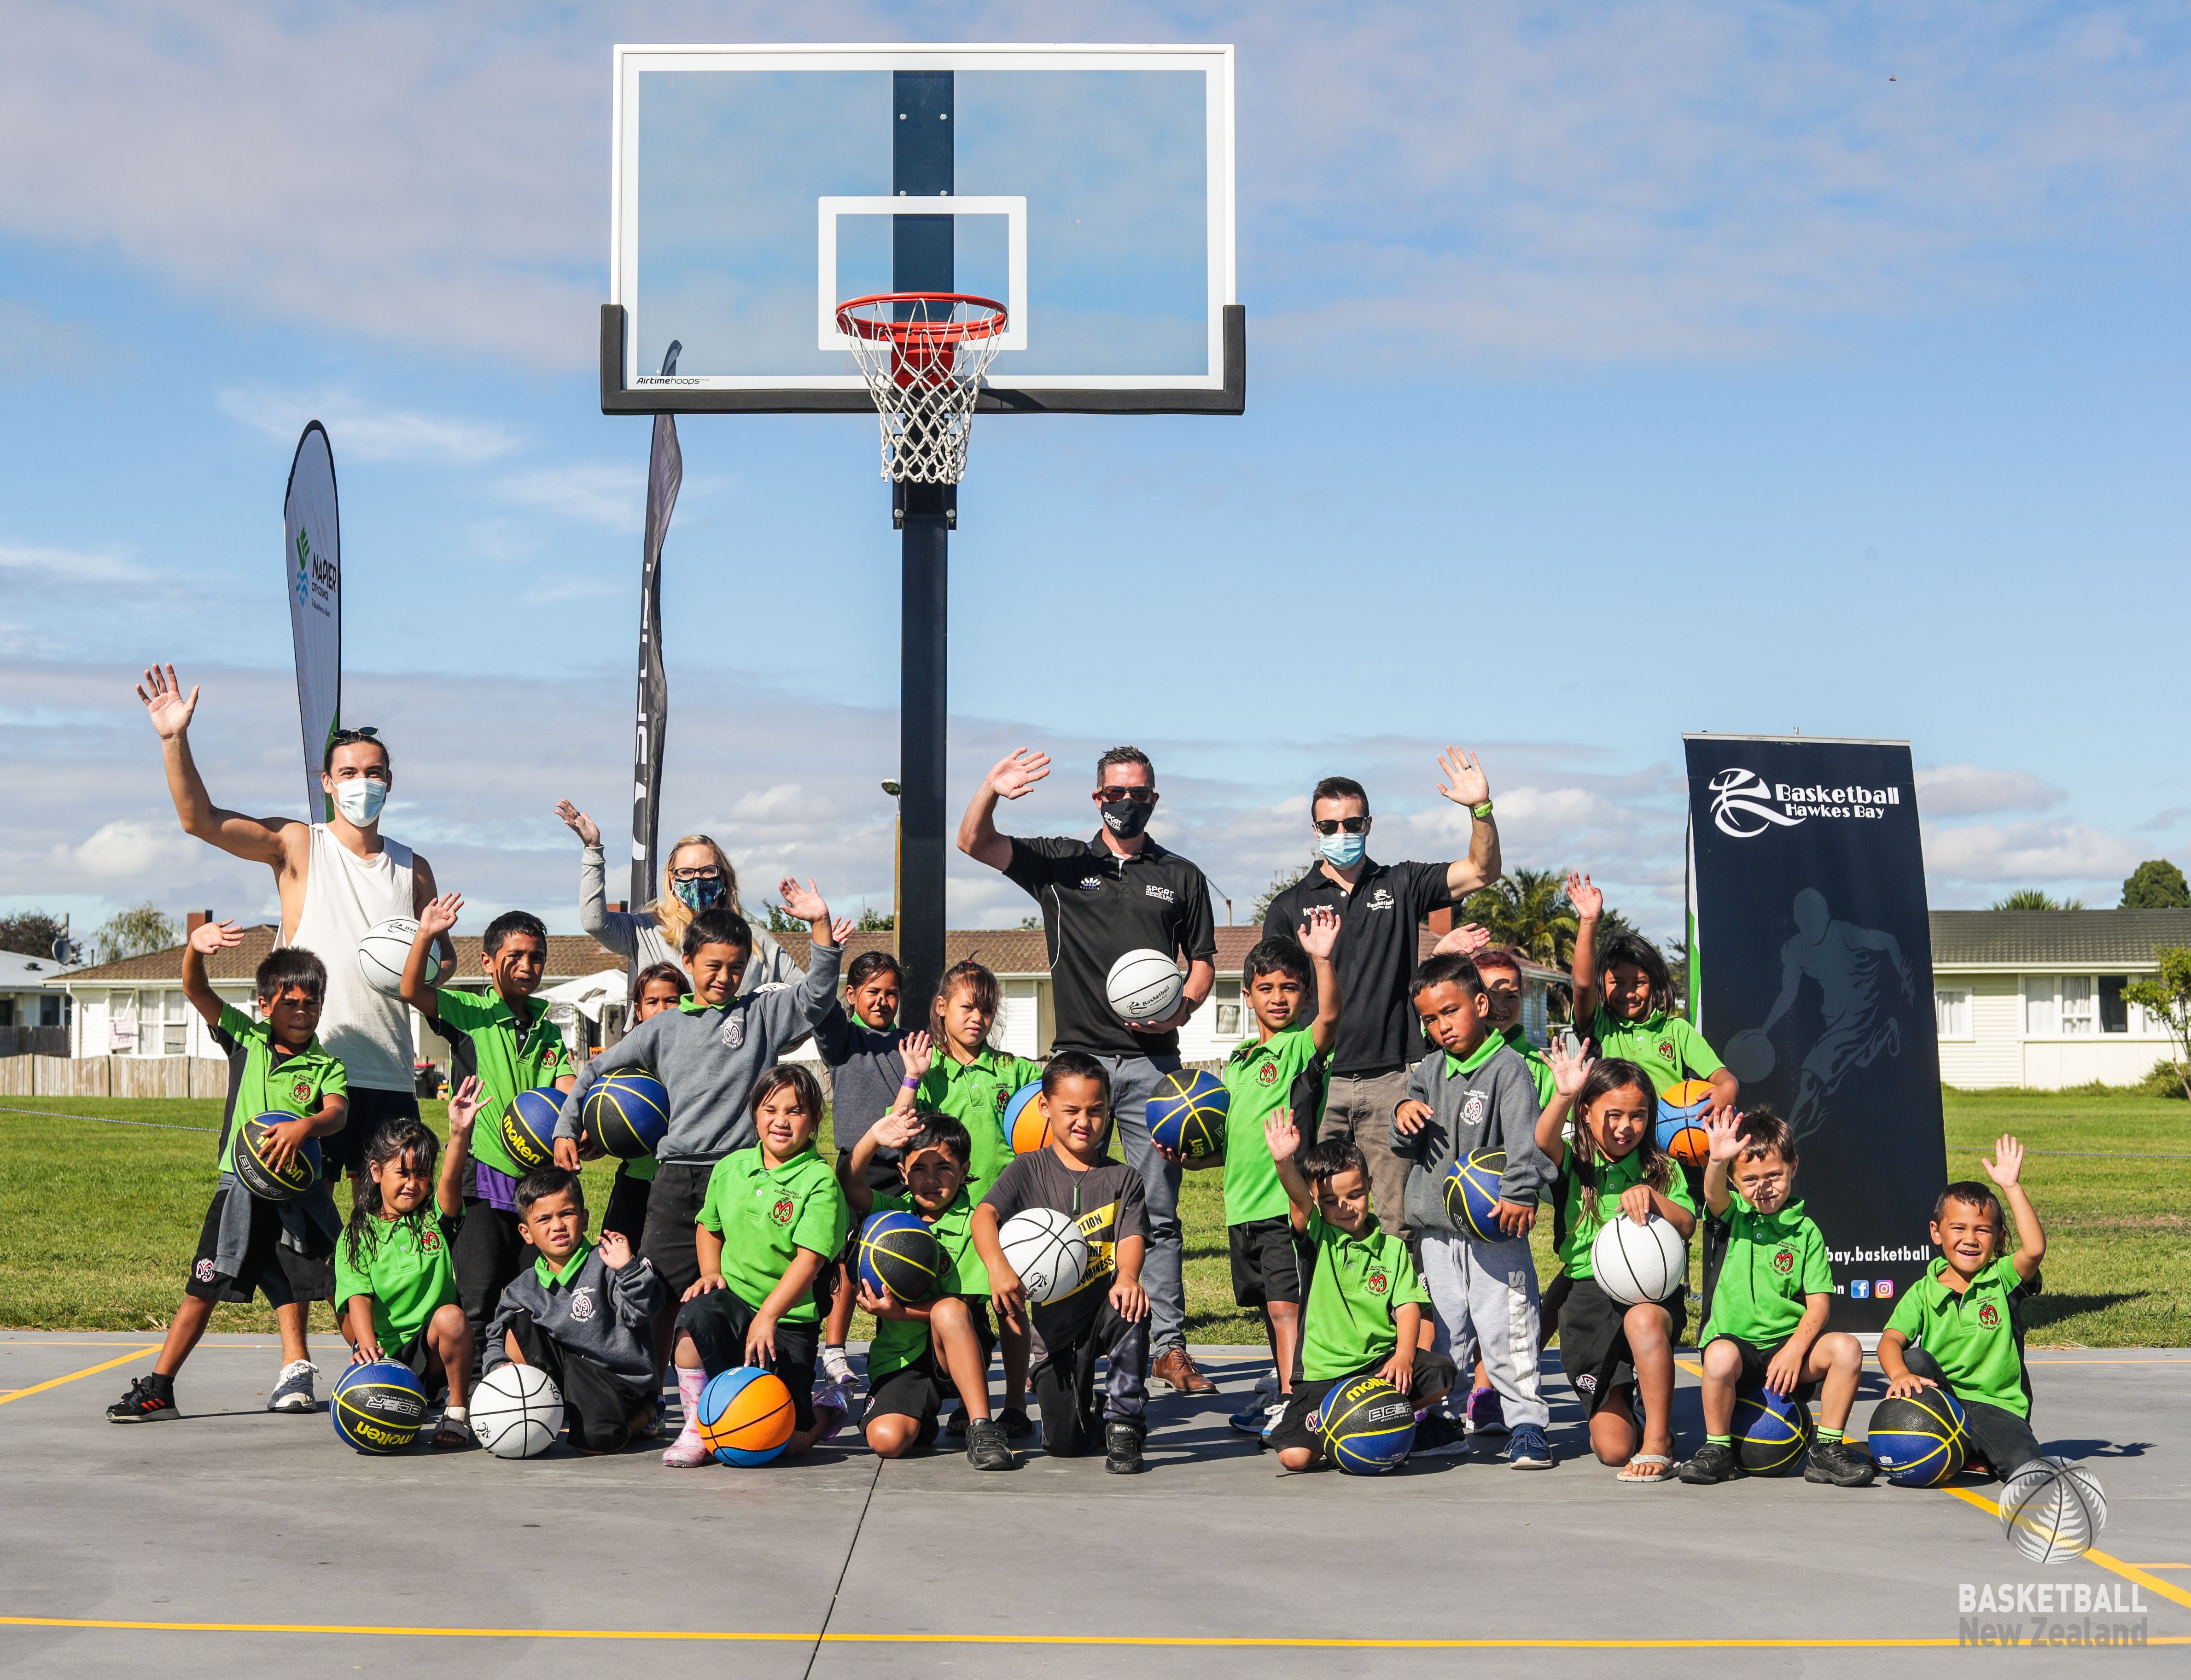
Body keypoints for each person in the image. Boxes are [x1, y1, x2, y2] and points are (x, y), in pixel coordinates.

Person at [958, 745, 1218, 1395]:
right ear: (1096, 798)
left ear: (1153, 800)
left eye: (1137, 795)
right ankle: (1057, 1341)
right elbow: (972, 842)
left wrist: (1181, 1008)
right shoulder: (1060, 864)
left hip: (1154, 1068)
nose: (1124, 804)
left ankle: (1167, 1346)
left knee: (1155, 1211)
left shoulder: (1180, 876)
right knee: (1059, 1210)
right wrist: (991, 788)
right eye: (1112, 794)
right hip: (1078, 1064)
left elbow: (1205, 963)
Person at [137, 666, 453, 1181]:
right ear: (327, 783)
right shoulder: (299, 845)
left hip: (390, 1075)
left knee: (389, 1222)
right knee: (303, 1232)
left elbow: (442, 967)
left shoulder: (414, 868)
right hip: (307, 1071)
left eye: (374, 773)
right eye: (349, 774)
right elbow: (200, 820)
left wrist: (423, 964)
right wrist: (175, 739)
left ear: (390, 782)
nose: (363, 783)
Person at [552, 887, 847, 1430]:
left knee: (728, 1290)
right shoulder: (663, 1027)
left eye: (736, 968)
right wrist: (568, 1124)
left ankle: (736, 1405)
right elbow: (594, 1070)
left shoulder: (761, 1014)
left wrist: (820, 928)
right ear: (686, 962)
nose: (725, 978)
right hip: (675, 1178)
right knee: (659, 1294)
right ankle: (653, 1400)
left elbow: (818, 996)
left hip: (739, 1176)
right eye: (714, 966)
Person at [1259, 760, 1503, 1259]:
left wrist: (1480, 808)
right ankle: (1330, 1321)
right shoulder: (1289, 906)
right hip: (1316, 1080)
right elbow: (1273, 1004)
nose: (1341, 833)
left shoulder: (1401, 884)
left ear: (1368, 825)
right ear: (1315, 830)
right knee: (1313, 1209)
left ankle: (1401, 1330)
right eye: (1330, 826)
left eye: (1352, 824)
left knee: (1395, 1219)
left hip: (1393, 1079)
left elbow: (1483, 870)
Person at [106, 925, 348, 1423]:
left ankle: (383, 1368)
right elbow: (196, 989)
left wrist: (306, 1127)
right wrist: (195, 949)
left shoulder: (325, 1064)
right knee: (204, 1287)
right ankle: (159, 1387)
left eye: (311, 1003)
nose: (302, 1012)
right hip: (240, 1189)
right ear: (265, 1005)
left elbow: (338, 1113)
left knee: (338, 1283)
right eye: (291, 1003)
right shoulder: (247, 1039)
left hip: (302, 1196)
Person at [1392, 952, 1556, 1469]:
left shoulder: (1508, 1069)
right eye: (1431, 1019)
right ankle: (1444, 1419)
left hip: (1495, 1230)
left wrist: (1520, 1193)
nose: (1442, 1027)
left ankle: (1527, 1423)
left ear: (1481, 1005)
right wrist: (1403, 1116)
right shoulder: (1429, 1073)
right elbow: (1405, 1145)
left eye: (1451, 1012)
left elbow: (1525, 1142)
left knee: (1507, 1326)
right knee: (1446, 1333)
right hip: (1436, 1233)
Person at [399, 897, 575, 1353]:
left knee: (537, 1301)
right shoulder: (468, 1011)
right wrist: (427, 934)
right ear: (489, 961)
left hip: (538, 1189)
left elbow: (568, 1087)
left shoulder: (547, 1027)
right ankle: (469, 1402)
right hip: (482, 1179)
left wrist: (578, 1126)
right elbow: (411, 989)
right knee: (477, 1300)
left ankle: (530, 1390)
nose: (526, 965)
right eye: (514, 956)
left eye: (536, 957)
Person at [661, 1065, 853, 1467]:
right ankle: (698, 1425)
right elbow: (709, 1227)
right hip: (736, 1302)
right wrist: (712, 1274)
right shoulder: (731, 1168)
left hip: (787, 1320)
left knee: (788, 1442)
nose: (780, 1121)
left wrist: (768, 1316)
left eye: (795, 1111)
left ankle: (827, 1408)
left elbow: (810, 1261)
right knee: (693, 1318)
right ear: (755, 1114)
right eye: (770, 1109)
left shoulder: (819, 1182)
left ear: (817, 1119)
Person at [973, 1053, 1153, 1474]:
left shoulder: (1123, 1178)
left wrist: (1128, 1277)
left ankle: (1125, 1423)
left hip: (1104, 1311)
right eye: (1071, 1110)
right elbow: (984, 1217)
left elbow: (1132, 1236)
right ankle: (1091, 1409)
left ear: (1109, 1111)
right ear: (1045, 1108)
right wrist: (998, 1269)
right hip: (1052, 1332)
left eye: (1095, 1111)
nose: (1083, 1122)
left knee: (1132, 1307)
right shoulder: (1028, 1169)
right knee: (1066, 1446)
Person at [839, 1050, 1017, 1472]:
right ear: (903, 1173)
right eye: (920, 1169)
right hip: (898, 1356)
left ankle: (981, 1426)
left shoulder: (977, 1220)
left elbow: (964, 1309)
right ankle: (921, 1417)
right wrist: (873, 1137)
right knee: (887, 1441)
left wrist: (899, 1311)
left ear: (966, 1169)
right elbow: (847, 1184)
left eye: (945, 1167)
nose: (932, 1179)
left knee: (949, 1309)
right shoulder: (892, 1217)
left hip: (952, 1348)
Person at [1679, 1107, 1873, 1487]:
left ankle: (1827, 1450)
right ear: (1735, 1181)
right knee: (1718, 1356)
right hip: (1739, 1350)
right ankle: (1717, 1450)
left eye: (1773, 1175)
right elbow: (1712, 1192)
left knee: (1847, 1349)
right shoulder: (1732, 1215)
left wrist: (1795, 1350)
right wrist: (1717, 1161)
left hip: (1788, 1352)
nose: (1763, 1187)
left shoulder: (1806, 1231)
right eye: (1750, 1179)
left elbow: (1819, 1304)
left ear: (1793, 1168)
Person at [1534, 1046, 1697, 1482]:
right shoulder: (1574, 1161)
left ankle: (1659, 1441)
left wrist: (1655, 1199)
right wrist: (1563, 1095)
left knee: (1644, 1322)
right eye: (1614, 1115)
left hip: (1650, 1296)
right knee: (1612, 1449)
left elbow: (1687, 1225)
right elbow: (1544, 1140)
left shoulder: (1661, 1168)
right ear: (1587, 1112)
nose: (1627, 1127)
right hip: (1588, 1303)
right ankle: (1632, 1402)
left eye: (1639, 1115)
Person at [1209, 913, 1341, 1444]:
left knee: (1289, 1307)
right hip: (1241, 1207)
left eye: (1290, 988)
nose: (1278, 998)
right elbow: (1234, 1139)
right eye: (1266, 989)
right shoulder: (1239, 1061)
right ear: (1247, 996)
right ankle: (1287, 1389)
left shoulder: (1297, 1049)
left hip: (1284, 1204)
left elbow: (1330, 1018)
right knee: (1270, 1307)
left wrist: (1323, 959)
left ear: (1304, 996)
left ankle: (1293, 1404)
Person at [1263, 1126, 1457, 1473]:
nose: (1344, 1208)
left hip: (1376, 1369)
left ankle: (1398, 1426)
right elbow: (1298, 1201)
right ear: (1315, 1200)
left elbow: (1409, 1306)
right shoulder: (1318, 1237)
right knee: (1294, 1458)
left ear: (1369, 1185)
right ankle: (1349, 1431)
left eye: (1354, 1194)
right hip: (1323, 1376)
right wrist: (1283, 1162)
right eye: (1330, 1201)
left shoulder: (1393, 1249)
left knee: (1441, 1373)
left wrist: (1402, 1357)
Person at [917, 958, 1045, 1436]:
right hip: (949, 1216)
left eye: (987, 1010)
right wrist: (913, 1080)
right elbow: (906, 1133)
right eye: (968, 1007)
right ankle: (969, 1400)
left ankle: (1014, 1405)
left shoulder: (1014, 1073)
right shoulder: (929, 1073)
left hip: (1007, 1213)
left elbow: (1040, 1132)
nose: (978, 1018)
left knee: (1010, 1306)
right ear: (942, 1008)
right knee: (957, 1312)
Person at [1877, 1138, 2047, 1481]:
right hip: (1943, 1404)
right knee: (1914, 1360)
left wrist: (2011, 1187)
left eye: (1982, 1231)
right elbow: (1889, 1341)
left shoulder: (2003, 1279)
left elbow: (2034, 1248)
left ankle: (1973, 1452)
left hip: (1996, 1408)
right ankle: (1959, 1448)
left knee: (2026, 1467)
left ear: (1999, 1240)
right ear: (1936, 1233)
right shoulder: (1924, 1290)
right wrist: (1900, 1376)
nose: (1970, 1239)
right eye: (1959, 1228)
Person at [331, 1091, 480, 1448]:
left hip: (430, 1355)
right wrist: (367, 1350)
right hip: (385, 1355)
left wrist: (460, 1132)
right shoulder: (358, 1234)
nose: (413, 1183)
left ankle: (457, 1411)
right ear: (377, 1172)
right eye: (403, 1173)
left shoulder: (434, 1220)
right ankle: (395, 1391)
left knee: (453, 1318)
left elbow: (452, 1180)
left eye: (422, 1174)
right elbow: (358, 1296)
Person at [484, 1165, 667, 1454]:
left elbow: (642, 1312)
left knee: (597, 1441)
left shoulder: (609, 1264)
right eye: (544, 1219)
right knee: (517, 1324)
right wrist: (498, 1367)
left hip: (616, 1381)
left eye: (566, 1214)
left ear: (584, 1219)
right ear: (526, 1232)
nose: (557, 1225)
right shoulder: (522, 1288)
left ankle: (646, 1414)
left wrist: (629, 1270)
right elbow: (496, 1336)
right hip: (565, 1373)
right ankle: (536, 1414)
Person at [555, 804, 803, 993]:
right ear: (672, 881)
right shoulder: (647, 930)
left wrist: (825, 944)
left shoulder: (755, 939)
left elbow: (804, 995)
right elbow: (594, 922)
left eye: (707, 871)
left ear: (724, 878)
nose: (697, 881)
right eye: (685, 873)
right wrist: (593, 850)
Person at [812, 949, 912, 1388]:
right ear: (852, 995)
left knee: (893, 1261)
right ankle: (834, 1350)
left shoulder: (911, 1043)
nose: (882, 1001)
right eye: (872, 992)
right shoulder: (843, 1039)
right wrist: (826, 946)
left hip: (902, 1170)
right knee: (846, 1262)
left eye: (891, 993)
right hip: (856, 1165)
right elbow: (819, 1001)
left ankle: (891, 1344)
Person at [1566, 872, 1736, 1111]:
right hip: (1615, 1142)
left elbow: (1723, 1078)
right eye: (1617, 982)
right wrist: (1588, 922)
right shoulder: (1601, 1026)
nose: (1628, 992)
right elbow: (1582, 985)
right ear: (1601, 986)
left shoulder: (1677, 1030)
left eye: (1639, 982)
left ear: (1655, 983)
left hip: (1669, 1144)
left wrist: (1728, 1088)